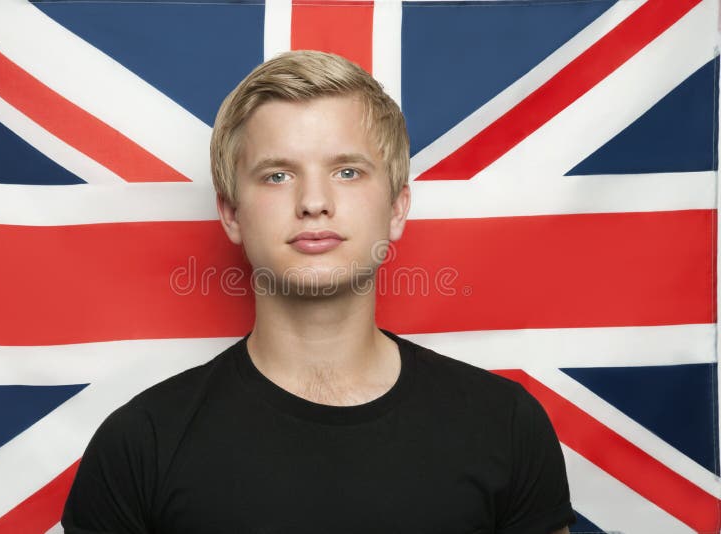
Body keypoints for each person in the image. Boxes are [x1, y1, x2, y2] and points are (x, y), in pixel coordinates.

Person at [62, 50, 576, 534]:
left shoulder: (507, 426)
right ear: (231, 213)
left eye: (347, 171)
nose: (313, 201)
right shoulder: (140, 444)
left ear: (397, 208)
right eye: (277, 175)